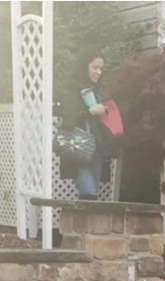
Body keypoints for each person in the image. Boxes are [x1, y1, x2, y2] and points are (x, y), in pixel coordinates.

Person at [60, 51, 117, 199]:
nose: (98, 72)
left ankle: (81, 214)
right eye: (95, 67)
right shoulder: (71, 90)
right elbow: (68, 118)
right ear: (83, 66)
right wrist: (91, 111)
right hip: (78, 148)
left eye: (101, 69)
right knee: (89, 193)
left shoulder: (96, 91)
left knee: (91, 194)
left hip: (95, 150)